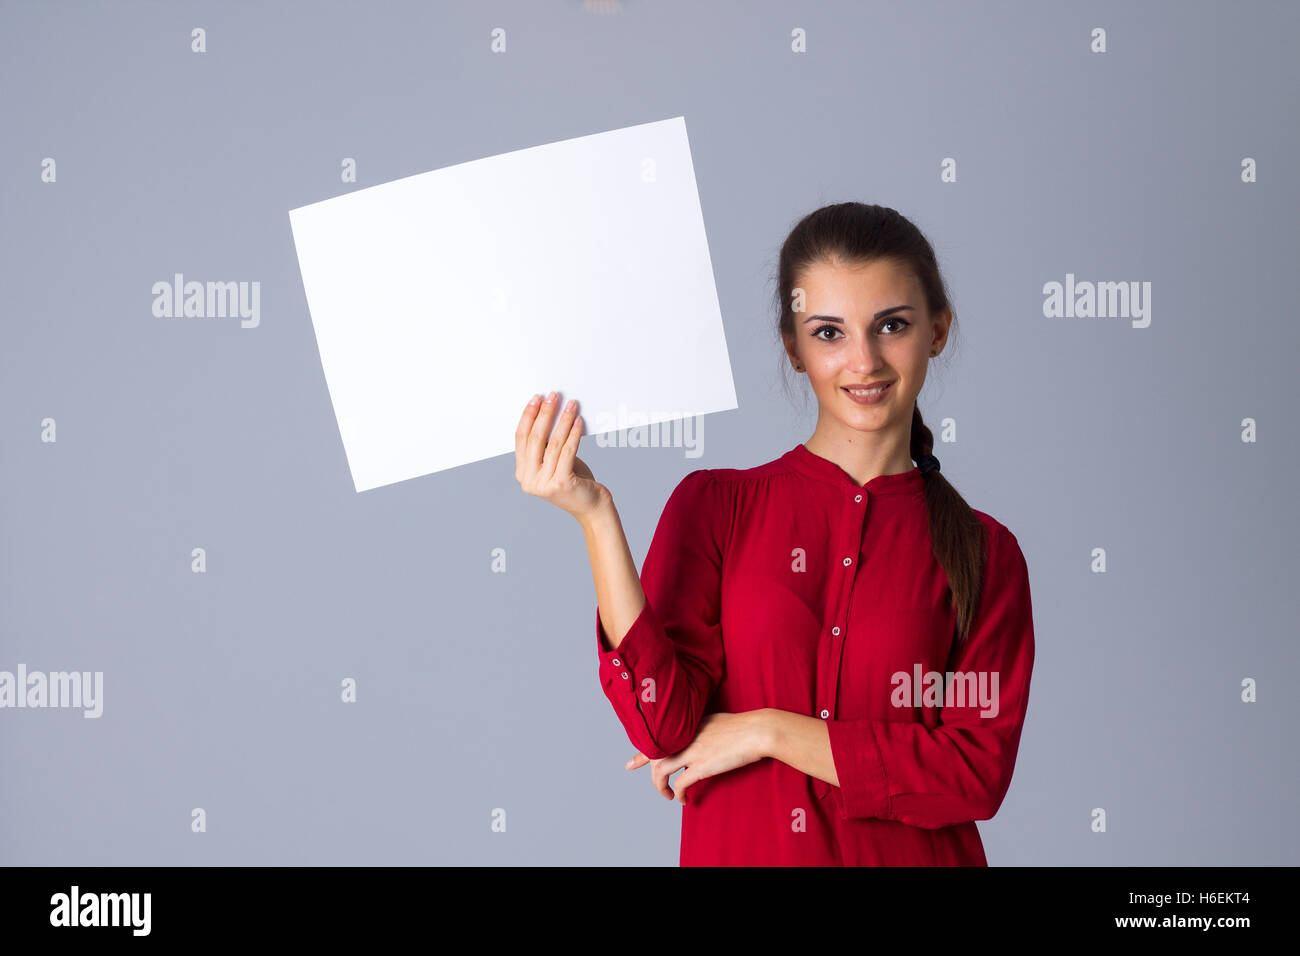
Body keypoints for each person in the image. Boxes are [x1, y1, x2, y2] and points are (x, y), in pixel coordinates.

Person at [514, 202, 1035, 866]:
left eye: (892, 326)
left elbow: (973, 774)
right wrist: (595, 516)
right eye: (828, 333)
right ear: (792, 346)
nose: (864, 361)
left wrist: (766, 732)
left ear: (937, 330)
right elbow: (662, 724)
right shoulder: (716, 507)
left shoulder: (986, 553)